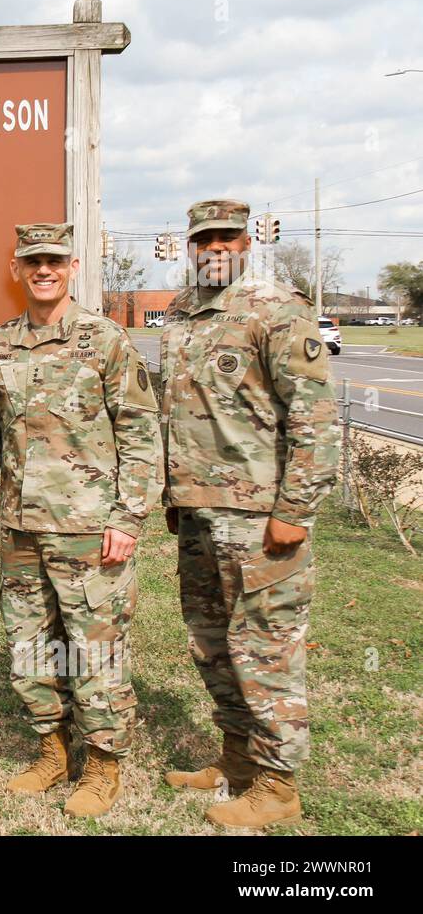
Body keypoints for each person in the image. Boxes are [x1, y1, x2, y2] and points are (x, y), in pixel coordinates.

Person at [0, 222, 163, 817]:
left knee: (94, 651)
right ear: (16, 270)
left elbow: (141, 432)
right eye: (32, 261)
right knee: (29, 647)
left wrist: (129, 517)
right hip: (20, 527)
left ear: (72, 267)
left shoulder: (105, 341)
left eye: (54, 260)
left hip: (90, 530)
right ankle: (52, 749)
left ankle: (103, 765)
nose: (43, 270)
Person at [160, 199, 338, 829]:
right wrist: (174, 496)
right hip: (201, 511)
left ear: (246, 240)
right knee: (211, 644)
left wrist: (295, 507)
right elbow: (177, 412)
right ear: (191, 245)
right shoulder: (183, 312)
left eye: (228, 237)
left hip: (261, 516)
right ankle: (237, 762)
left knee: (264, 647)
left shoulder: (280, 308)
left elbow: (314, 416)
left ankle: (278, 785)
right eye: (204, 238)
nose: (216, 248)